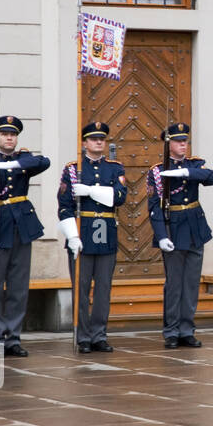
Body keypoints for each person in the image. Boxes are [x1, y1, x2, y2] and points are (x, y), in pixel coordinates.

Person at [0, 116, 51, 357]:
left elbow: (43, 162)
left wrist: (16, 165)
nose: (10, 138)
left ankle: (13, 338)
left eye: (13, 134)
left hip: (22, 227)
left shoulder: (23, 160)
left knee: (19, 287)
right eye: (5, 134)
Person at [58, 121, 128, 354]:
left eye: (102, 139)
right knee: (81, 286)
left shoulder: (115, 168)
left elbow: (120, 197)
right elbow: (64, 206)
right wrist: (72, 235)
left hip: (106, 228)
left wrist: (91, 191)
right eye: (93, 139)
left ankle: (99, 334)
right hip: (83, 229)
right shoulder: (73, 169)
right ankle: (83, 336)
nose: (99, 142)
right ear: (84, 142)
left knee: (103, 288)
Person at [148, 122, 213, 349]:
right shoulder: (157, 172)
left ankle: (187, 330)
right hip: (174, 229)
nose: (183, 145)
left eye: (185, 141)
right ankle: (171, 331)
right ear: (169, 144)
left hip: (195, 229)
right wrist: (161, 236)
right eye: (178, 142)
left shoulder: (194, 164)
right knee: (175, 284)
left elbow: (212, 177)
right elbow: (154, 207)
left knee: (191, 283)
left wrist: (186, 172)